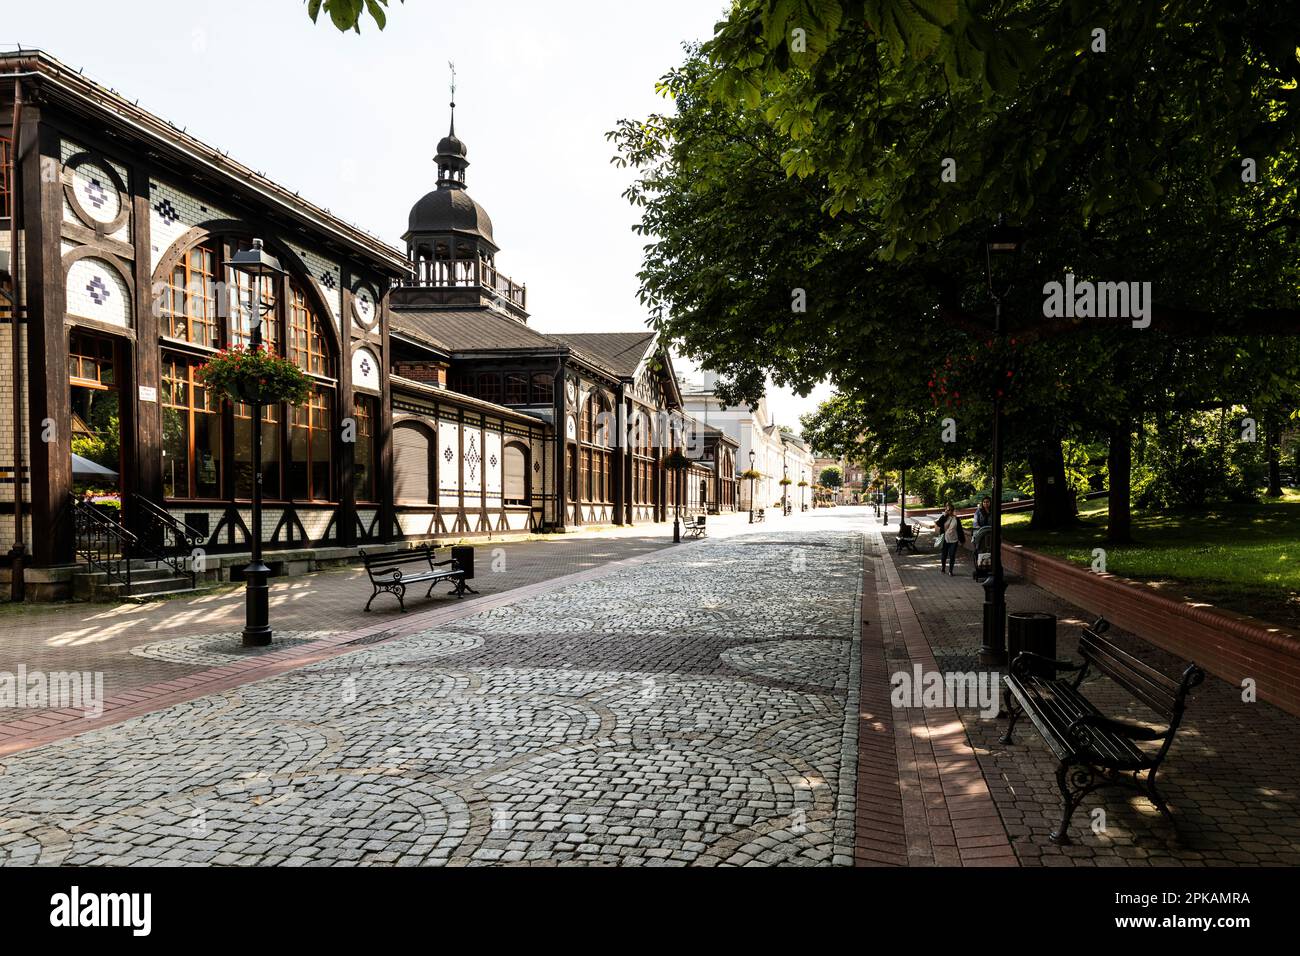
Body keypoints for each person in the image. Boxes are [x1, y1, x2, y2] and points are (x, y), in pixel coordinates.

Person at [935, 503, 965, 575]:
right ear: (946, 510)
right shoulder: (944, 517)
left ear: (953, 510)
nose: (950, 511)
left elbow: (960, 530)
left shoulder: (956, 519)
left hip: (954, 539)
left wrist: (962, 540)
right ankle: (943, 567)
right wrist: (944, 515)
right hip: (945, 539)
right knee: (944, 555)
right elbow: (938, 524)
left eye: (951, 510)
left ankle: (950, 571)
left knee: (952, 555)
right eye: (948, 510)